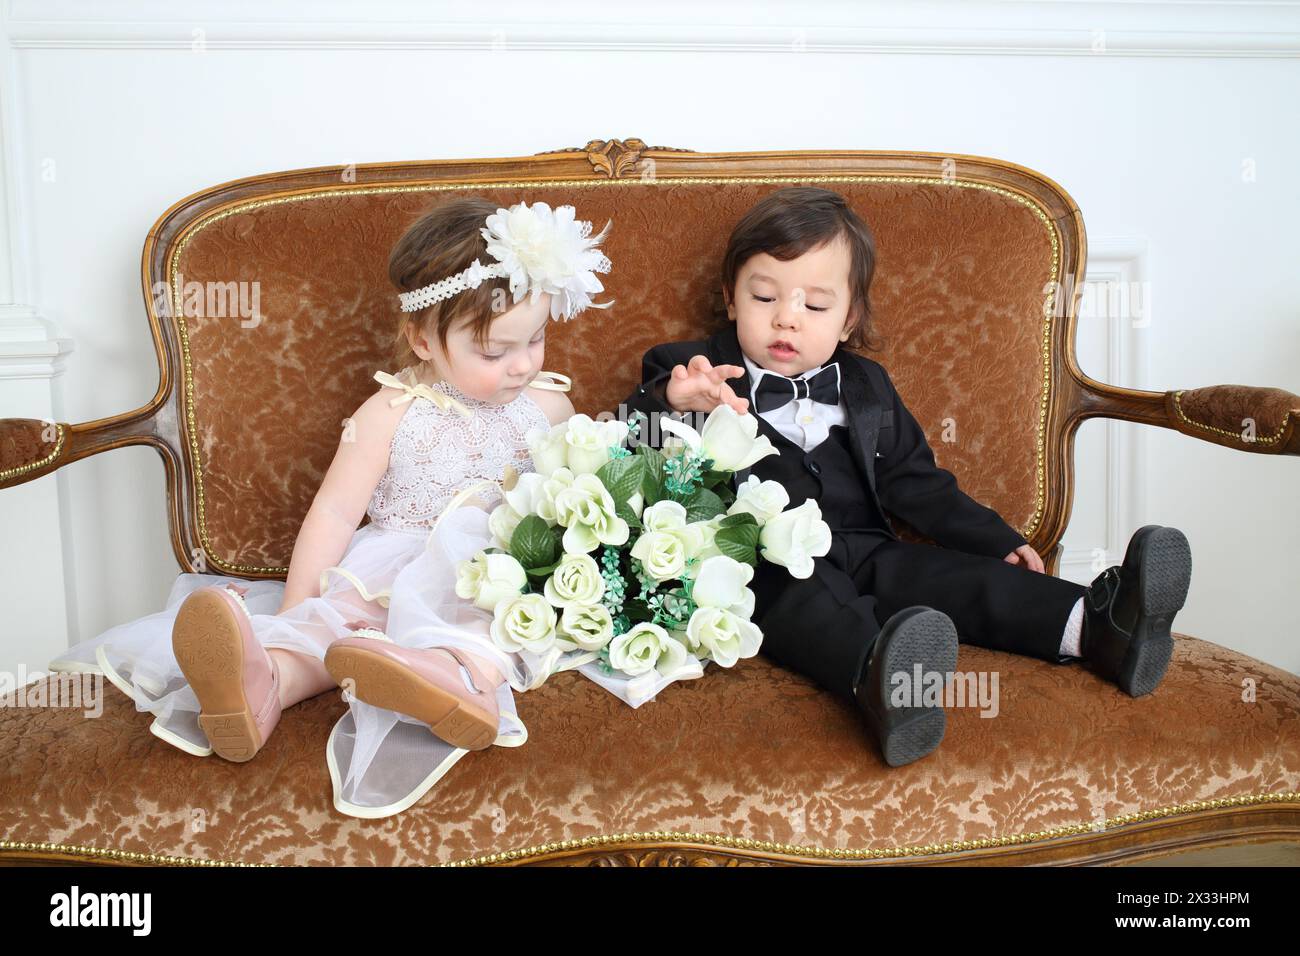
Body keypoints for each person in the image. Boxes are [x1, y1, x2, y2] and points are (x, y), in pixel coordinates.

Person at [49, 195, 613, 817]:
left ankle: (456, 682)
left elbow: (577, 499)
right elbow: (336, 514)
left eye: (536, 339)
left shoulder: (549, 407)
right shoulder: (388, 414)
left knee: (484, 628)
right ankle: (262, 683)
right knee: (332, 629)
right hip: (388, 571)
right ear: (422, 340)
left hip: (494, 573)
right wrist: (294, 612)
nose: (522, 365)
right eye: (494, 352)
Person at [619, 186, 1192, 768]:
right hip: (763, 562)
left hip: (869, 549)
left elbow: (916, 481)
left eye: (815, 306)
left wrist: (992, 538)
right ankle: (883, 678)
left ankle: (1101, 627)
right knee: (810, 606)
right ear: (731, 297)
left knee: (958, 580)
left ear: (849, 319)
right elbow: (630, 453)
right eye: (764, 296)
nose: (786, 316)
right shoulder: (688, 369)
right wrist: (671, 403)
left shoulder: (867, 385)